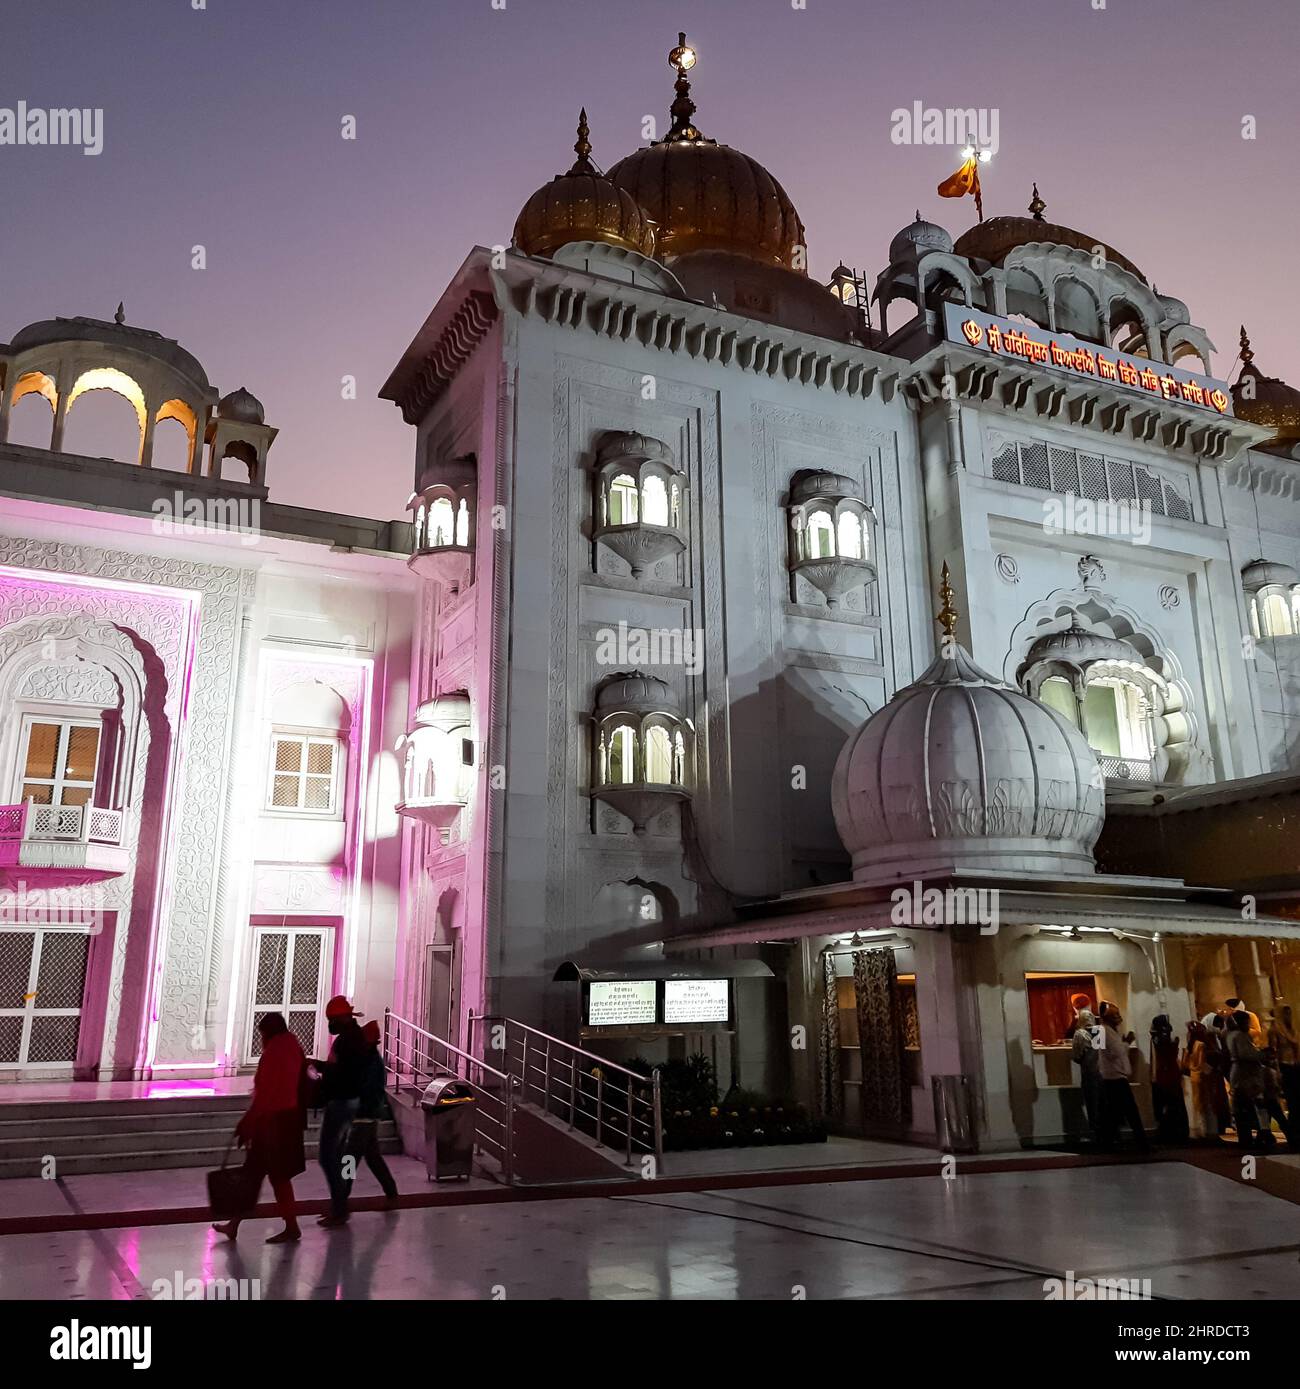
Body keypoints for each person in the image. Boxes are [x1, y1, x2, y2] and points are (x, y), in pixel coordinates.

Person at [213, 1012, 306, 1244]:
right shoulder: (293, 1044)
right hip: (289, 1120)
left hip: (272, 1125)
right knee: (274, 1177)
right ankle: (239, 1225)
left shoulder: (273, 1052)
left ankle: (287, 1227)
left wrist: (248, 1123)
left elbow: (266, 1094)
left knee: (259, 1176)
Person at [316, 995, 370, 1229]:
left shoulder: (348, 1041)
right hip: (352, 1103)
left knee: (329, 1157)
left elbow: (342, 1074)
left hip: (342, 1102)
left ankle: (339, 1207)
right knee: (340, 1157)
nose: (330, 1024)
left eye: (332, 1019)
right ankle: (339, 1205)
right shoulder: (354, 1038)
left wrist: (321, 1071)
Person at [345, 1019, 399, 1207]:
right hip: (368, 1116)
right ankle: (391, 1192)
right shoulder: (371, 1061)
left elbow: (366, 1090)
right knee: (373, 1158)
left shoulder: (371, 1064)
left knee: (349, 1158)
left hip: (364, 1117)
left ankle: (340, 1201)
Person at [1096, 1004, 1149, 1151]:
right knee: (1130, 1111)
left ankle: (1108, 1142)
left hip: (1112, 1076)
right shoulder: (1102, 1031)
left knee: (1114, 1112)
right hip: (1114, 1077)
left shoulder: (1105, 1031)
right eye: (1115, 1015)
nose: (1118, 1018)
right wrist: (1126, 1042)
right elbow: (1113, 1053)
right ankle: (1141, 1143)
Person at [1225, 1010, 1268, 1149]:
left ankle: (1247, 1137)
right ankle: (1249, 1138)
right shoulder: (1239, 1036)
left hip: (1240, 1073)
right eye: (1246, 1022)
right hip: (1245, 1074)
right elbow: (1246, 1054)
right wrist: (1262, 1054)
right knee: (1245, 1107)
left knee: (1242, 1107)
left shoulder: (1230, 1034)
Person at [1149, 1015, 1188, 1143]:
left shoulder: (1157, 1038)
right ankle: (1173, 1132)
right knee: (1172, 1104)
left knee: (1168, 1104)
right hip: (1167, 1074)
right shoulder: (1161, 1039)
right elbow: (1166, 1056)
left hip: (1165, 1074)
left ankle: (1170, 1131)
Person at [1070, 1007, 1103, 1142]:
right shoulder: (1099, 1031)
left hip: (1088, 1073)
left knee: (1092, 1103)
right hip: (1102, 1073)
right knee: (1102, 1103)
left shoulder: (1079, 1034)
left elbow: (1077, 1056)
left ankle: (1096, 1133)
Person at [1268, 1005, 1300, 1120]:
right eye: (1286, 1014)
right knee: (1292, 1098)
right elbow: (1273, 1051)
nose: (1288, 1016)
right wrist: (1277, 1071)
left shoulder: (1292, 1030)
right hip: (1284, 1066)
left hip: (1295, 1065)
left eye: (1289, 1013)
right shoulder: (1275, 1031)